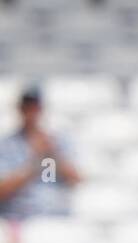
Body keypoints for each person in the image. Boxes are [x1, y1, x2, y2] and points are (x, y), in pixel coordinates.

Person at [0, 87, 81, 224]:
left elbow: (76, 179)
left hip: (56, 216)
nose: (32, 113)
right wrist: (34, 163)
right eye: (27, 108)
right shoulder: (6, 145)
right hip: (20, 217)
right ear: (20, 110)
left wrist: (53, 154)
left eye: (35, 108)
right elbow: (2, 190)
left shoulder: (57, 141)